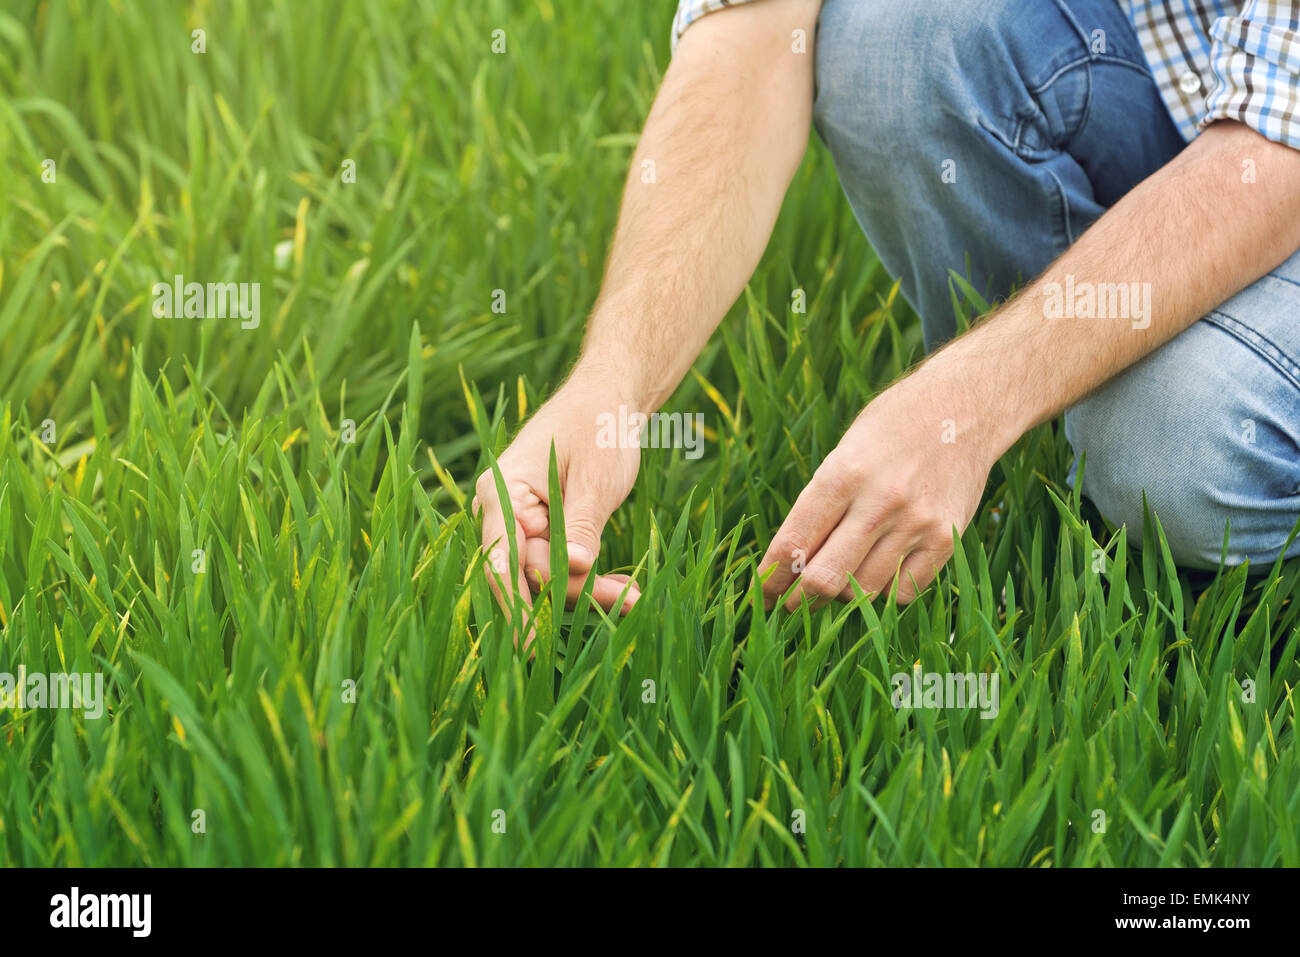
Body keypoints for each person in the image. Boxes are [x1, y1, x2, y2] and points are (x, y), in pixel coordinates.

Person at [473, 0, 1300, 632]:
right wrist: (608, 392)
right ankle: (1034, 450)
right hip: (1186, 82)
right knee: (889, 43)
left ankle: (1071, 435)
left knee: (1173, 443)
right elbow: (758, 30)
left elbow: (1278, 144)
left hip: (1275, 143)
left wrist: (961, 406)